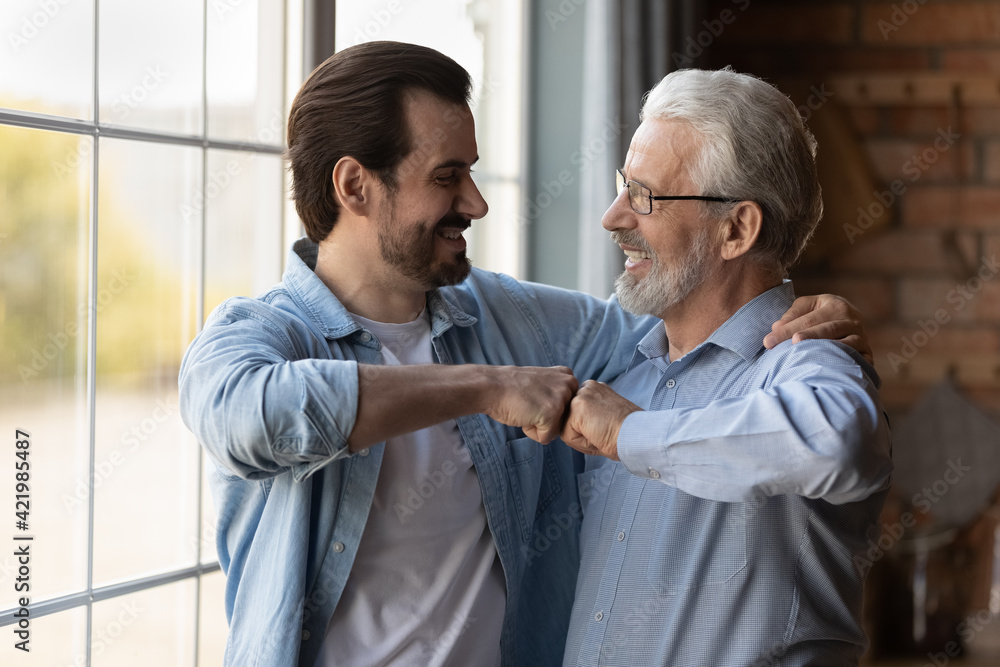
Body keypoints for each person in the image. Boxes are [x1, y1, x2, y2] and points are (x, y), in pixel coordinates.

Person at [179, 42, 874, 667]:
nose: (477, 203)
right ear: (355, 185)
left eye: (642, 195)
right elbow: (255, 416)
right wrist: (484, 387)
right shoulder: (259, 335)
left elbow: (704, 331)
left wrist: (816, 319)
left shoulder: (523, 325)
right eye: (448, 176)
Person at [557, 68, 893, 666]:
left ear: (736, 229)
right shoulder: (618, 366)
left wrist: (628, 434)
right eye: (621, 186)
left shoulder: (806, 361)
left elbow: (839, 442)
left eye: (644, 196)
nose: (612, 218)